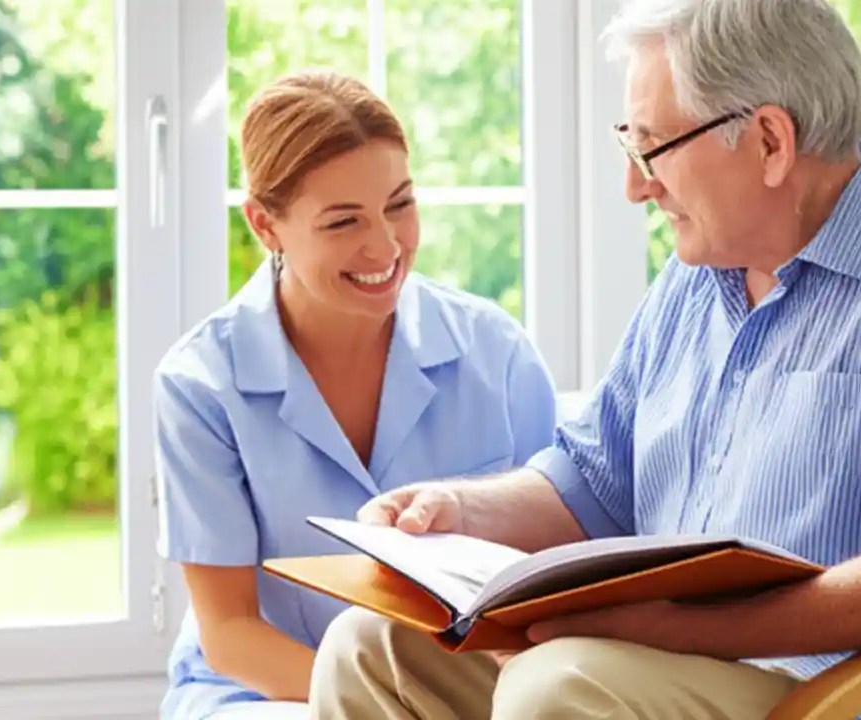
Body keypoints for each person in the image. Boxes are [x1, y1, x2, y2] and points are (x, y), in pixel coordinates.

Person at [308, 1, 861, 718]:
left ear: (771, 141)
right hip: (657, 668)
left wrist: (686, 632)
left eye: (654, 147)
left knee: (554, 686)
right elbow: (593, 480)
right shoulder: (697, 277)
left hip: (845, 694)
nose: (637, 186)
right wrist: (459, 509)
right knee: (370, 647)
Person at [153, 71, 558, 719]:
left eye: (400, 204)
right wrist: (380, 703)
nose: (386, 245)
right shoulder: (201, 385)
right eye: (344, 221)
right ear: (265, 225)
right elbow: (229, 635)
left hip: (458, 694)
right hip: (267, 695)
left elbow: (552, 577)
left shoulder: (497, 354)